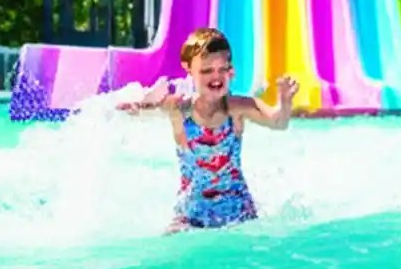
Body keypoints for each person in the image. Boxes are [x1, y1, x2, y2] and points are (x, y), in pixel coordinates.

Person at [119, 27, 300, 230]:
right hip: (191, 214)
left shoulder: (237, 108)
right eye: (206, 71)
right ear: (188, 68)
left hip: (238, 211)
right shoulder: (179, 109)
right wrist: (124, 107)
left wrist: (285, 102)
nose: (216, 77)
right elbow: (139, 111)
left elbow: (279, 123)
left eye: (222, 69)